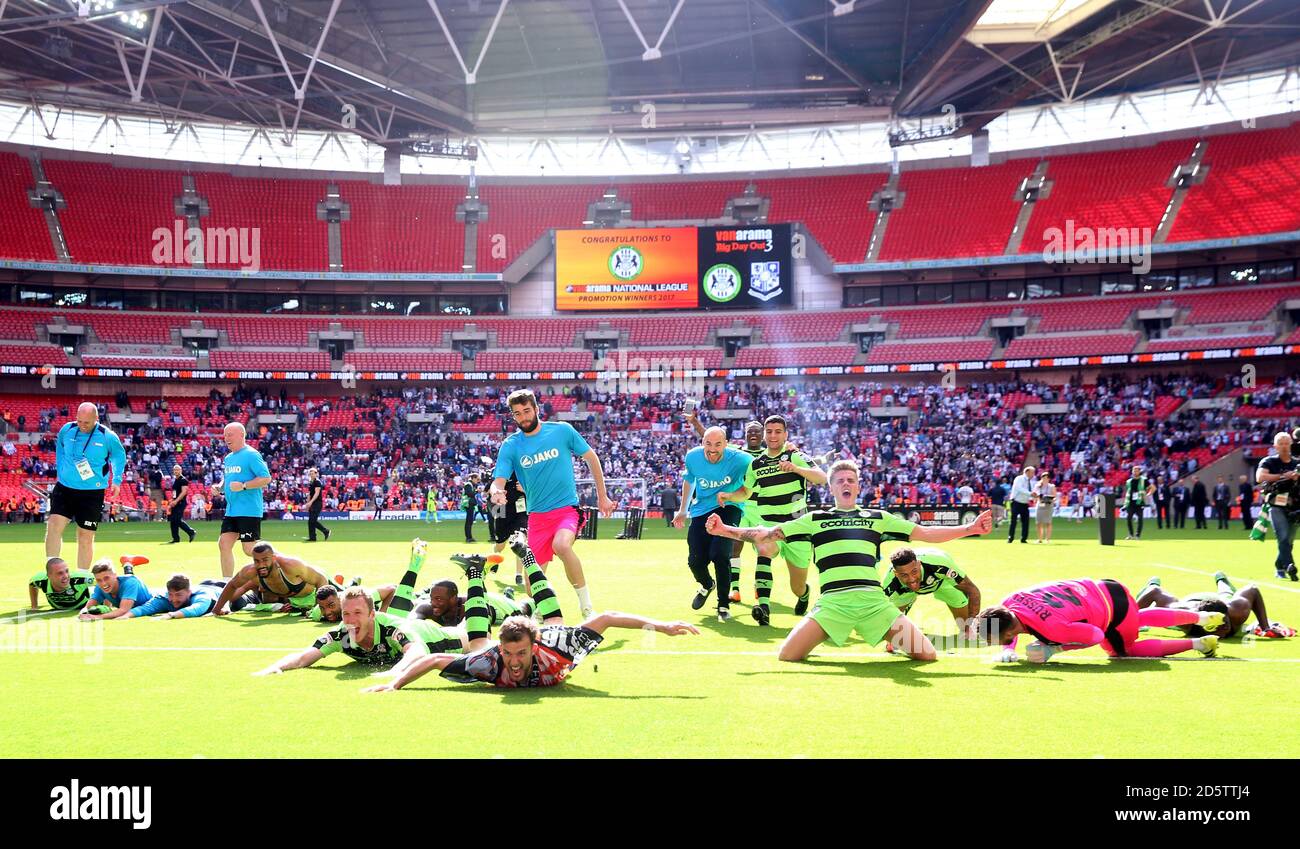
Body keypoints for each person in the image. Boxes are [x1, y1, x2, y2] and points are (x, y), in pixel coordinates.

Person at [706, 459, 994, 665]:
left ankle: (886, 634)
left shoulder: (877, 518)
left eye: (851, 480)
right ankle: (835, 630)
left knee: (927, 655)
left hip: (873, 602)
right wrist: (724, 530)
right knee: (788, 655)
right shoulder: (814, 520)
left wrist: (970, 529)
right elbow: (764, 533)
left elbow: (926, 533)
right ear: (830, 487)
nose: (846, 484)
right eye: (840, 480)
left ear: (858, 487)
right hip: (833, 602)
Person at [361, 550, 697, 691]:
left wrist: (662, 626)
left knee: (554, 621)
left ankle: (527, 558)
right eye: (510, 654)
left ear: (533, 647)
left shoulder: (559, 645)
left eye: (520, 653)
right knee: (480, 643)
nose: (515, 661)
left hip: (529, 622)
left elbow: (607, 617)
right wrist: (395, 684)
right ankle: (504, 564)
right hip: (503, 619)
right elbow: (434, 660)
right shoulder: (490, 662)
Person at [489, 388, 615, 619]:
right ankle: (544, 610)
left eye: (527, 410)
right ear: (513, 417)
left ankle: (587, 608)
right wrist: (496, 492)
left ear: (537, 409)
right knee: (531, 587)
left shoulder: (562, 431)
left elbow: (591, 458)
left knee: (562, 545)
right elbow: (498, 481)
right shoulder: (511, 445)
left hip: (566, 509)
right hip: (537, 517)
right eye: (517, 414)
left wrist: (603, 496)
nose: (524, 417)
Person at [718, 415, 827, 624]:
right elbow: (746, 492)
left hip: (797, 529)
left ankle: (803, 594)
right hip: (770, 526)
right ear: (764, 435)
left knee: (797, 586)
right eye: (769, 432)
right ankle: (764, 608)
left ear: (785, 434)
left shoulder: (795, 456)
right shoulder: (756, 464)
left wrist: (796, 469)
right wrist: (729, 495)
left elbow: (821, 477)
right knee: (764, 550)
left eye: (778, 431)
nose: (773, 435)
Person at [973, 577, 1224, 663]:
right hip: (1104, 586)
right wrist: (1010, 647)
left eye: (994, 639)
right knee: (1136, 617)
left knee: (1122, 651)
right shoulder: (1009, 600)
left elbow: (1095, 635)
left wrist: (1053, 648)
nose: (990, 643)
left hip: (1112, 611)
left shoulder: (1053, 630)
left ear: (1006, 634)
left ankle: (1200, 644)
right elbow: (1013, 621)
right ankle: (1200, 616)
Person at [253, 587, 468, 676]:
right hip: (420, 631)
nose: (351, 620)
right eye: (346, 614)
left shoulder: (389, 628)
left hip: (446, 639)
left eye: (358, 613)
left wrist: (394, 672)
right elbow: (303, 657)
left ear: (372, 614)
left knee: (474, 637)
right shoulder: (343, 635)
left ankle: (477, 583)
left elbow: (417, 652)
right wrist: (275, 667)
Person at [673, 426, 753, 622]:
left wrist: (731, 495)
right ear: (702, 443)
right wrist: (683, 510)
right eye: (708, 443)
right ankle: (707, 584)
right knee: (695, 561)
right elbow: (689, 480)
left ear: (726, 444)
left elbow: (749, 489)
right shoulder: (693, 457)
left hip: (729, 507)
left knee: (720, 554)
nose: (713, 449)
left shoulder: (742, 459)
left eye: (718, 444)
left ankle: (723, 604)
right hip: (701, 510)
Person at [687, 411, 765, 605]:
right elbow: (712, 439)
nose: (753, 435)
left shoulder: (754, 456)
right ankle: (730, 589)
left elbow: (774, 461)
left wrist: (787, 450)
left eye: (757, 431)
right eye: (750, 432)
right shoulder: (732, 450)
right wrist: (695, 422)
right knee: (718, 554)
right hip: (715, 506)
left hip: (746, 506)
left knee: (761, 549)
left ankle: (759, 591)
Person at [47, 402, 126, 573]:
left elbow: (119, 456)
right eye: (79, 421)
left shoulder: (107, 436)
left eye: (87, 423)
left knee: (85, 537)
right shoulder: (67, 430)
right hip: (65, 488)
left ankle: (81, 578)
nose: (82, 426)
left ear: (96, 419)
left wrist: (116, 480)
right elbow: (60, 449)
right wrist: (61, 470)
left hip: (92, 493)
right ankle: (52, 572)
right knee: (53, 526)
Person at [1137, 573, 1291, 639]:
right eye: (1217, 626)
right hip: (1191, 603)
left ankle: (1221, 579)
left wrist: (1265, 628)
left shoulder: (1237, 612)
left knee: (1227, 594)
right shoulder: (1184, 618)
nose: (1224, 629)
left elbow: (1253, 589)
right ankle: (1153, 580)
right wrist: (1131, 621)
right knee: (1161, 617)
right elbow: (1155, 593)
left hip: (1221, 600)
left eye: (1225, 623)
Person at [210, 540, 329, 614]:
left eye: (265, 560)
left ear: (273, 558)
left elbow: (321, 579)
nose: (261, 565)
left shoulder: (291, 565)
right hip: (294, 602)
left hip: (321, 590)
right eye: (256, 561)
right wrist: (217, 610)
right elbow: (232, 586)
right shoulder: (251, 572)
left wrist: (318, 609)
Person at [882, 547, 981, 634]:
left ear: (919, 564)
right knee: (892, 630)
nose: (911, 578)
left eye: (914, 571)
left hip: (942, 581)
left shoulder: (941, 565)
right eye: (904, 575)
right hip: (905, 591)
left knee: (966, 627)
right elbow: (875, 610)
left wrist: (971, 623)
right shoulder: (889, 583)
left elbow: (973, 591)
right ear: (896, 573)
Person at [217, 422, 271, 578]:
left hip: (248, 509)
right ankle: (226, 582)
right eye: (225, 434)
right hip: (232, 510)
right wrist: (220, 487)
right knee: (224, 544)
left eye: (230, 434)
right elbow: (228, 478)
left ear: (242, 435)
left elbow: (266, 478)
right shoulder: (228, 458)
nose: (226, 438)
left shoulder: (251, 454)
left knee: (249, 550)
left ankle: (279, 559)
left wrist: (243, 485)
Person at [1256, 431, 1299, 581]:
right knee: (1283, 537)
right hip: (1276, 503)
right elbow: (1260, 477)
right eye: (1280, 443)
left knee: (1289, 540)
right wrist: (1283, 476)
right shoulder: (1269, 461)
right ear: (1275, 446)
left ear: (1291, 444)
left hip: (1294, 505)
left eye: (1286, 443)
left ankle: (1279, 566)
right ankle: (1290, 567)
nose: (1284, 446)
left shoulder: (1296, 463)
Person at [124, 574, 222, 619]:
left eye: (179, 595)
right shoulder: (164, 598)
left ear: (189, 592)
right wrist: (126, 616)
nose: (174, 599)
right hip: (203, 583)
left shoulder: (201, 595)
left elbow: (196, 609)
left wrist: (170, 615)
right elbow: (145, 608)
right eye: (171, 594)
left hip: (220, 588)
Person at [79, 560, 152, 621]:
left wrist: (98, 617)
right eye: (99, 580)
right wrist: (84, 613)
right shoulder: (99, 587)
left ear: (115, 575)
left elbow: (123, 610)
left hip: (149, 604)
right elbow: (88, 607)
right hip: (124, 586)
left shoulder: (130, 583)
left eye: (106, 578)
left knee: (129, 579)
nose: (103, 583)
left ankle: (128, 564)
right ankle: (127, 564)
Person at [490, 474, 527, 587]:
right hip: (503, 511)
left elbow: (538, 490)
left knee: (520, 541)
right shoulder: (501, 471)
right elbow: (491, 489)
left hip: (521, 512)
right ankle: (495, 556)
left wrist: (525, 489)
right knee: (500, 545)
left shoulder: (525, 469)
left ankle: (518, 574)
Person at [28, 557, 94, 611]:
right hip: (58, 608)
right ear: (49, 575)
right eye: (60, 573)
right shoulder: (41, 581)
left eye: (67, 571)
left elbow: (102, 579)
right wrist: (34, 606)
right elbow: (32, 584)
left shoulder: (80, 579)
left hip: (84, 605)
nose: (66, 576)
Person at [164, 464, 197, 544]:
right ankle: (175, 539)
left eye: (177, 470)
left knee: (177, 519)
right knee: (173, 520)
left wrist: (176, 501)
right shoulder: (176, 480)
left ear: (181, 470)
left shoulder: (183, 480)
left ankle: (191, 531)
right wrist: (172, 501)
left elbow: (184, 492)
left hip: (181, 502)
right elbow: (175, 492)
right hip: (175, 502)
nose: (176, 471)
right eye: (175, 470)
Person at [1007, 466, 1034, 544]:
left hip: (1025, 503)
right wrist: (1031, 493)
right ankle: (1010, 537)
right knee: (1013, 521)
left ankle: (1023, 538)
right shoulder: (1019, 479)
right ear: (1027, 472)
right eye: (1032, 472)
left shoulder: (1030, 481)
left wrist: (1033, 496)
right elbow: (1020, 489)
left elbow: (1029, 492)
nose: (1033, 474)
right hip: (1016, 502)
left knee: (1026, 522)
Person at [304, 468, 330, 542]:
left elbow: (317, 493)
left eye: (313, 473)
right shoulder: (311, 482)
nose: (311, 475)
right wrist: (308, 503)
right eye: (310, 473)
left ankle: (326, 531)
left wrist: (311, 502)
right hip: (312, 503)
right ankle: (312, 537)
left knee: (312, 520)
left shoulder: (317, 482)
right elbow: (309, 494)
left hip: (317, 503)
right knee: (310, 521)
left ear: (316, 473)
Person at [1033, 472, 1056, 544]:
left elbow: (1054, 496)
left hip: (1048, 505)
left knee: (1048, 522)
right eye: (1043, 478)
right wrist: (1036, 497)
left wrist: (1051, 499)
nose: (1044, 479)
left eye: (1046, 478)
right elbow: (1034, 495)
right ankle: (1040, 539)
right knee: (1038, 522)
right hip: (1040, 505)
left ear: (1049, 479)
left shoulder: (1052, 486)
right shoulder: (1037, 486)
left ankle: (1047, 539)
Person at [461, 475, 478, 543]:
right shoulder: (468, 485)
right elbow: (470, 494)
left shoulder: (470, 484)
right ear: (473, 478)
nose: (477, 481)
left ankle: (469, 537)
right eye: (477, 479)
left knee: (470, 521)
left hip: (470, 504)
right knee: (468, 521)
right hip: (468, 504)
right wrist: (476, 491)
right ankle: (468, 537)